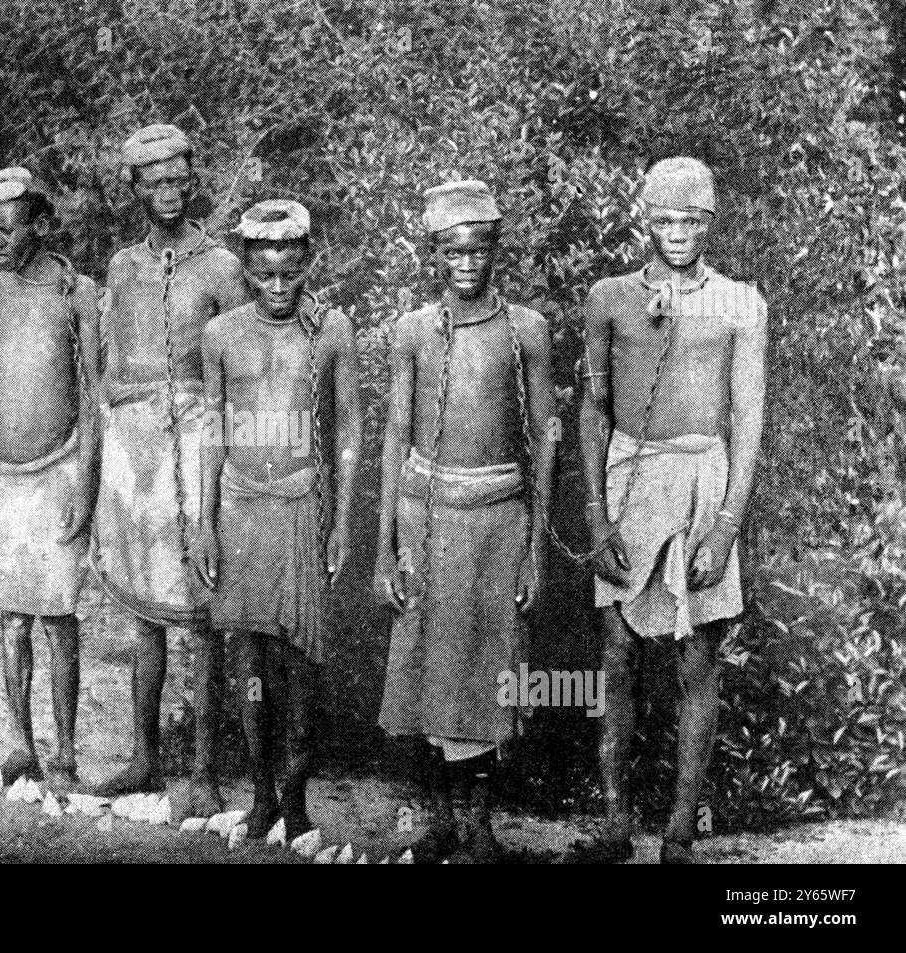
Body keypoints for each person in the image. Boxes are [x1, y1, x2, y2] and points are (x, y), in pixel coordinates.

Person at [572, 156, 767, 864]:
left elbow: (747, 419)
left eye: (691, 220)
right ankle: (616, 822)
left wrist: (725, 524)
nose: (677, 232)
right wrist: (596, 517)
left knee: (696, 653)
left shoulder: (741, 303)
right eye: (664, 219)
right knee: (618, 651)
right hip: (631, 475)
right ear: (644, 220)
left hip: (703, 479)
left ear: (711, 222)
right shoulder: (610, 298)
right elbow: (593, 411)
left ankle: (681, 829)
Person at [374, 181, 556, 862]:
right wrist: (385, 548)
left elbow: (545, 440)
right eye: (453, 250)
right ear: (435, 253)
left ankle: (481, 823)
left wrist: (535, 550)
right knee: (425, 667)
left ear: (495, 249)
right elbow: (396, 433)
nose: (467, 262)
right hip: (426, 517)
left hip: (496, 522)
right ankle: (441, 819)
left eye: (478, 248)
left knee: (488, 672)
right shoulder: (414, 332)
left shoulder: (526, 332)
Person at [86, 124, 249, 814]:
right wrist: (116, 433)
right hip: (134, 449)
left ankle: (207, 769)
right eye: (153, 182)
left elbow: (243, 365)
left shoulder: (221, 267)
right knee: (141, 613)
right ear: (133, 190)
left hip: (196, 446)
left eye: (179, 180)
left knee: (201, 614)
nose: (168, 194)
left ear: (193, 182)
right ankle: (145, 757)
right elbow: (110, 362)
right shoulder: (122, 267)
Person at [195, 200, 362, 838]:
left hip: (300, 507)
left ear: (308, 263)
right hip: (240, 509)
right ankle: (261, 791)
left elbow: (348, 430)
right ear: (244, 268)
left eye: (289, 273)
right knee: (251, 663)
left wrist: (343, 520)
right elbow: (213, 429)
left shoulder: (331, 330)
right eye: (263, 273)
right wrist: (205, 521)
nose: (276, 287)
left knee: (299, 662)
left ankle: (296, 797)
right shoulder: (222, 335)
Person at [0, 168, 99, 789]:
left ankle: (66, 751)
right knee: (10, 619)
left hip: (56, 474)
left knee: (57, 617)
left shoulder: (76, 291)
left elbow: (92, 397)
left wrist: (86, 486)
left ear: (39, 225)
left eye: (10, 228)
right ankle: (21, 745)